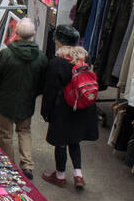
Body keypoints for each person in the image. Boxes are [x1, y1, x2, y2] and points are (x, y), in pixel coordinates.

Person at [40, 25, 98, 190]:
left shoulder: (57, 62)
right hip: (82, 107)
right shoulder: (85, 58)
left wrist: (46, 112)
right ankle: (78, 175)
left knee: (61, 143)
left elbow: (50, 90)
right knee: (75, 140)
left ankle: (60, 176)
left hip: (63, 108)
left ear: (59, 41)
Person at [0, 18, 46, 179]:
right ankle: (27, 165)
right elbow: (42, 82)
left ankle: (8, 164)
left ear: (16, 33)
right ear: (34, 34)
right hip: (26, 103)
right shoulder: (41, 57)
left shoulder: (5, 54)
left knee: (6, 134)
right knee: (24, 131)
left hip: (5, 102)